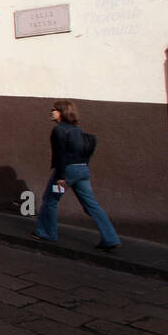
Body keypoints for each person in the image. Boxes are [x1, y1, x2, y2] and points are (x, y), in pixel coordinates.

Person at [32, 100, 120, 250]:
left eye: (54, 109)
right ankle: (111, 238)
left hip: (66, 174)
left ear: (61, 112)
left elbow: (60, 155)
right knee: (92, 205)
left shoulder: (59, 130)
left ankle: (47, 233)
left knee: (50, 200)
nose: (51, 112)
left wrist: (60, 178)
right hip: (82, 172)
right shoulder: (76, 130)